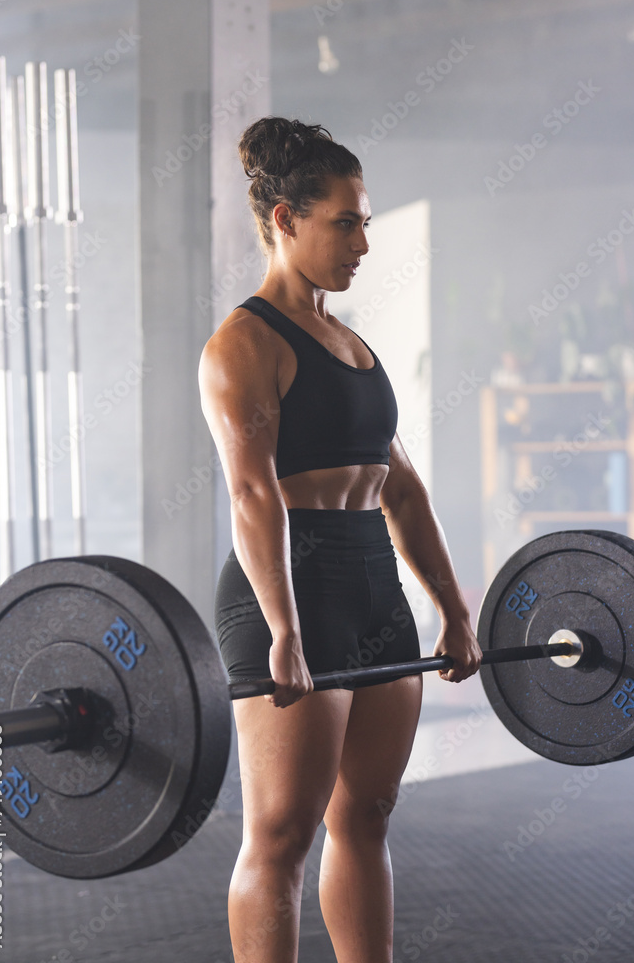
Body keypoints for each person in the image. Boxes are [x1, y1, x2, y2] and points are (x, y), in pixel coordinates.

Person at [198, 116, 482, 963]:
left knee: (365, 814)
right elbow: (252, 493)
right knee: (281, 833)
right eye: (345, 223)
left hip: (372, 584)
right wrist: (283, 630)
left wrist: (453, 610)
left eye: (365, 222)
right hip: (289, 586)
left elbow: (401, 489)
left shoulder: (350, 343)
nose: (362, 243)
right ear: (286, 220)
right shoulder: (242, 344)